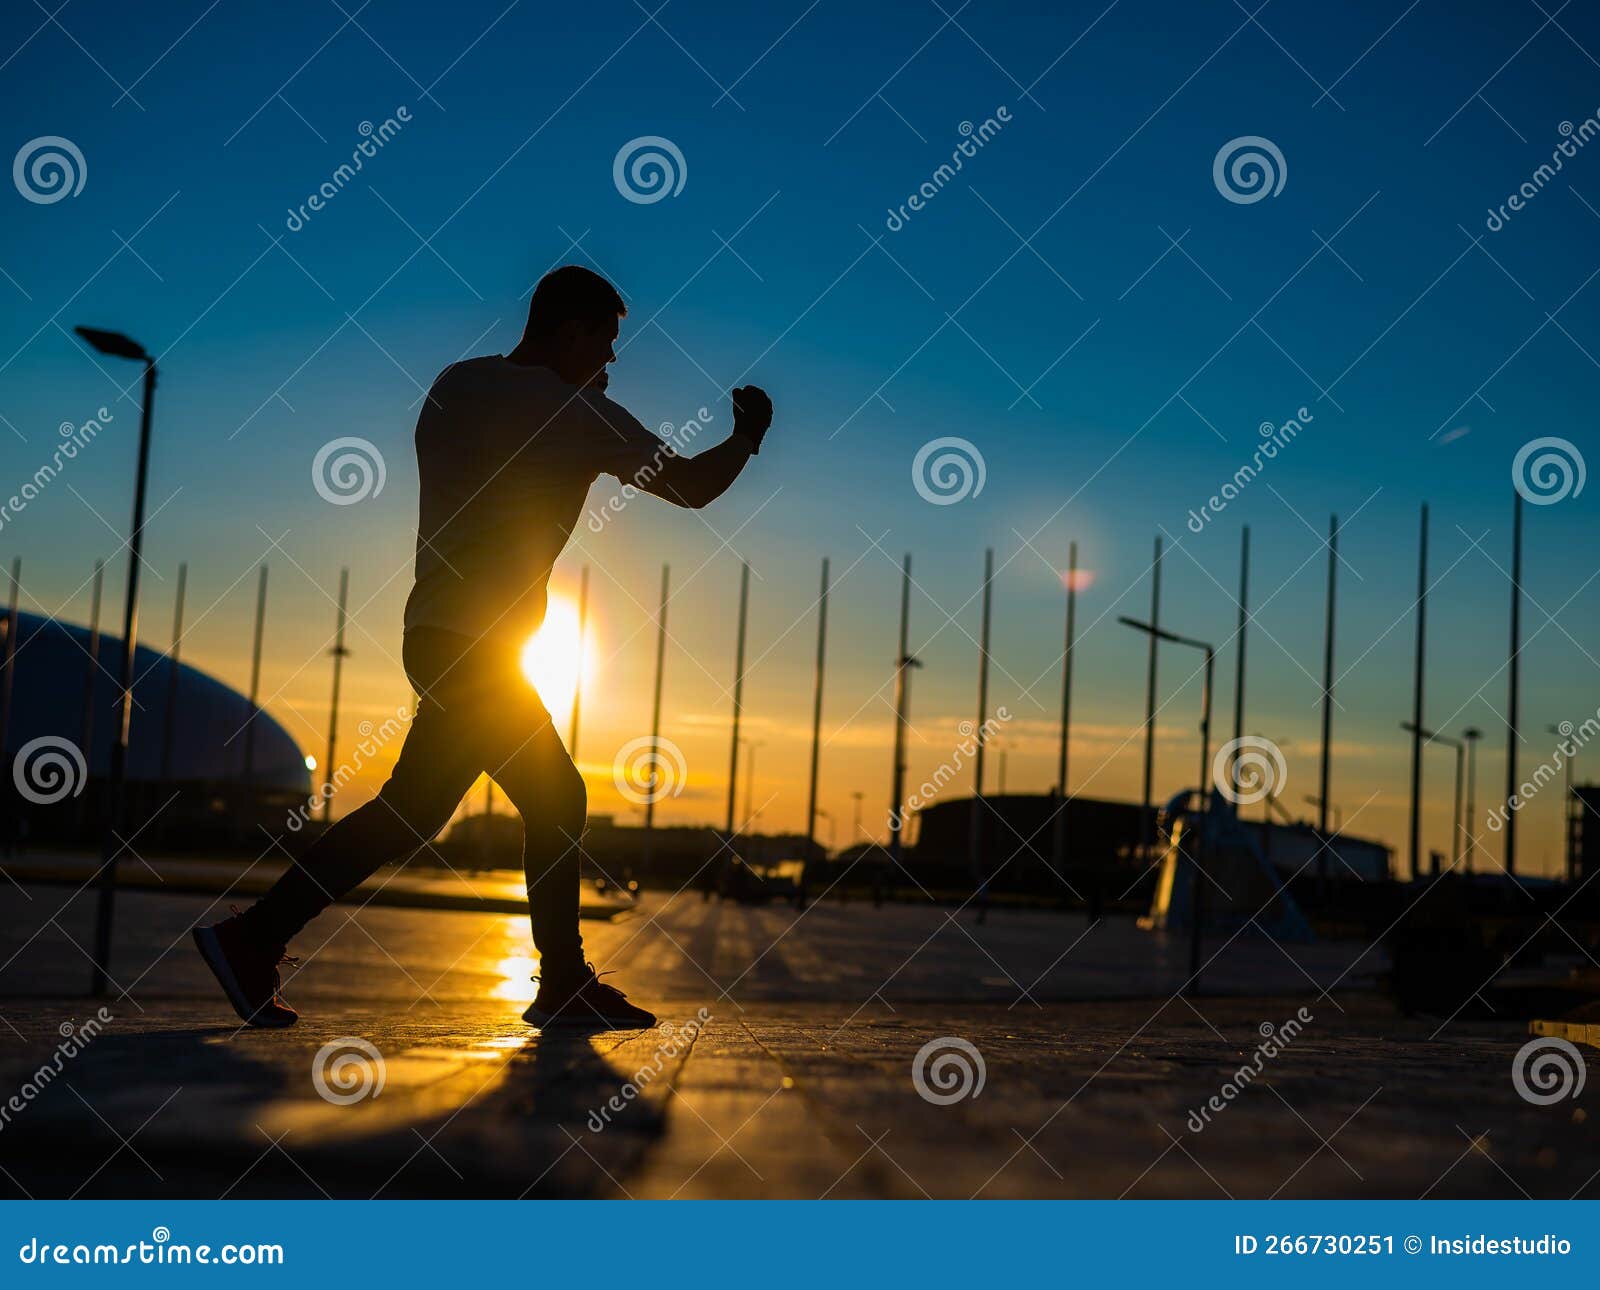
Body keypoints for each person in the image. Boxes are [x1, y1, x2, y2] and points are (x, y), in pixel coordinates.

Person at [194, 265, 774, 1030]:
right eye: (605, 340)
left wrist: (580, 415)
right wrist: (748, 437)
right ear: (569, 332)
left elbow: (504, 454)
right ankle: (561, 980)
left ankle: (251, 938)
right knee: (557, 797)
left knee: (413, 812)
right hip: (482, 650)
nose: (611, 358)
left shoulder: (456, 384)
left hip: (433, 633)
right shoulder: (576, 415)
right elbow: (693, 487)